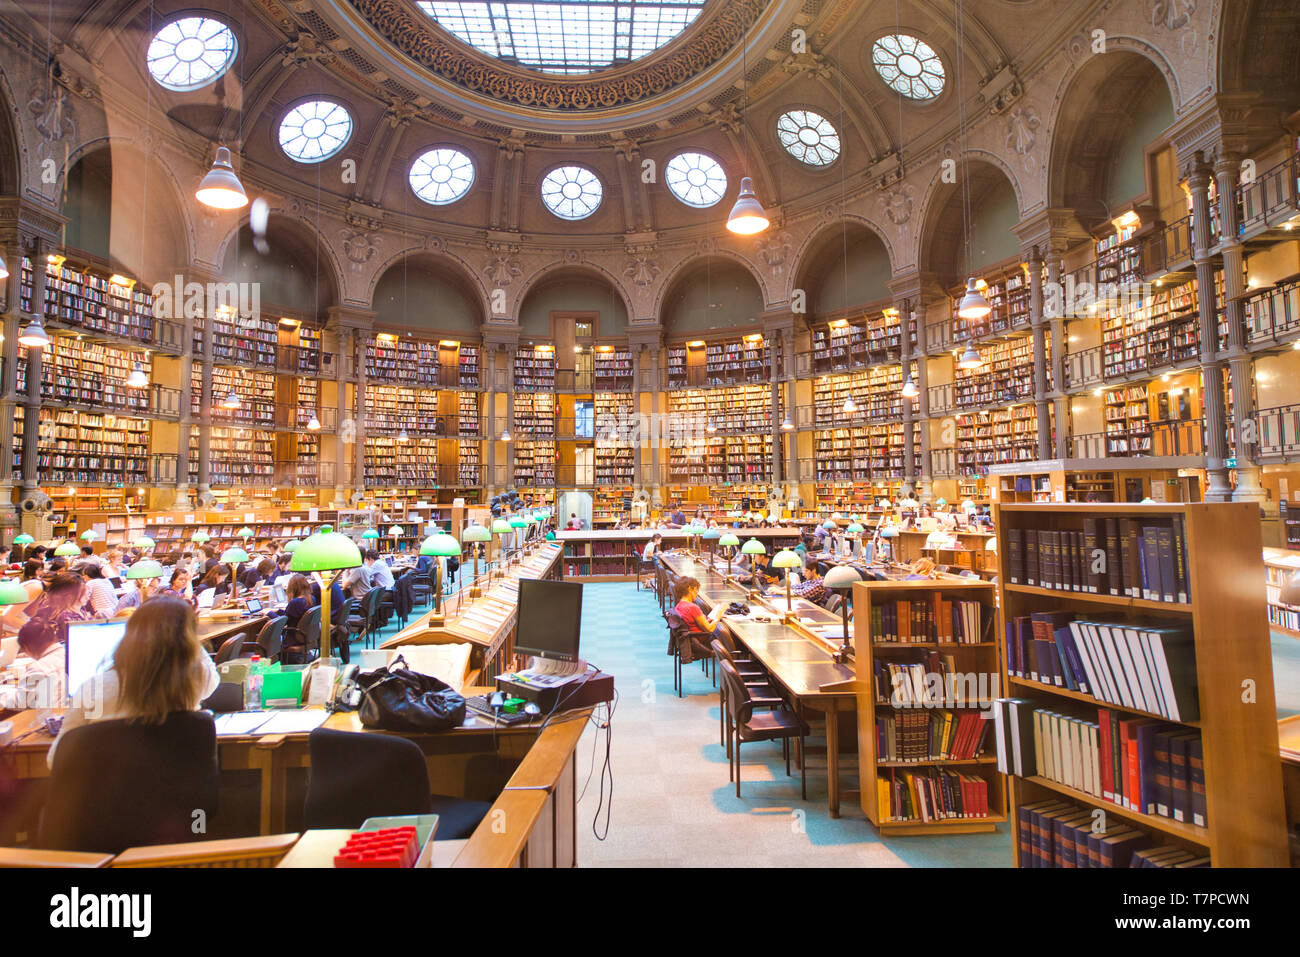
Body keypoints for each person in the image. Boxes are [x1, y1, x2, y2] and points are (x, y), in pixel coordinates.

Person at [48, 594, 221, 768]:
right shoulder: (195, 683)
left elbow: (55, 760)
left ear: (130, 633)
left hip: (108, 791)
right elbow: (212, 678)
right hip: (178, 792)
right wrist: (184, 632)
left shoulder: (94, 688)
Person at [670, 576, 725, 664]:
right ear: (689, 589)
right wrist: (719, 613)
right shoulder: (692, 607)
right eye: (696, 589)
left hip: (690, 640)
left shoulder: (678, 605)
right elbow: (709, 629)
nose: (697, 592)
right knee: (727, 632)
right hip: (702, 642)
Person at [281, 573, 316, 664]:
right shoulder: (311, 599)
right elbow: (290, 615)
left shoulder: (295, 603)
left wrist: (268, 613)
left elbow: (283, 622)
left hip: (294, 637)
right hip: (306, 636)